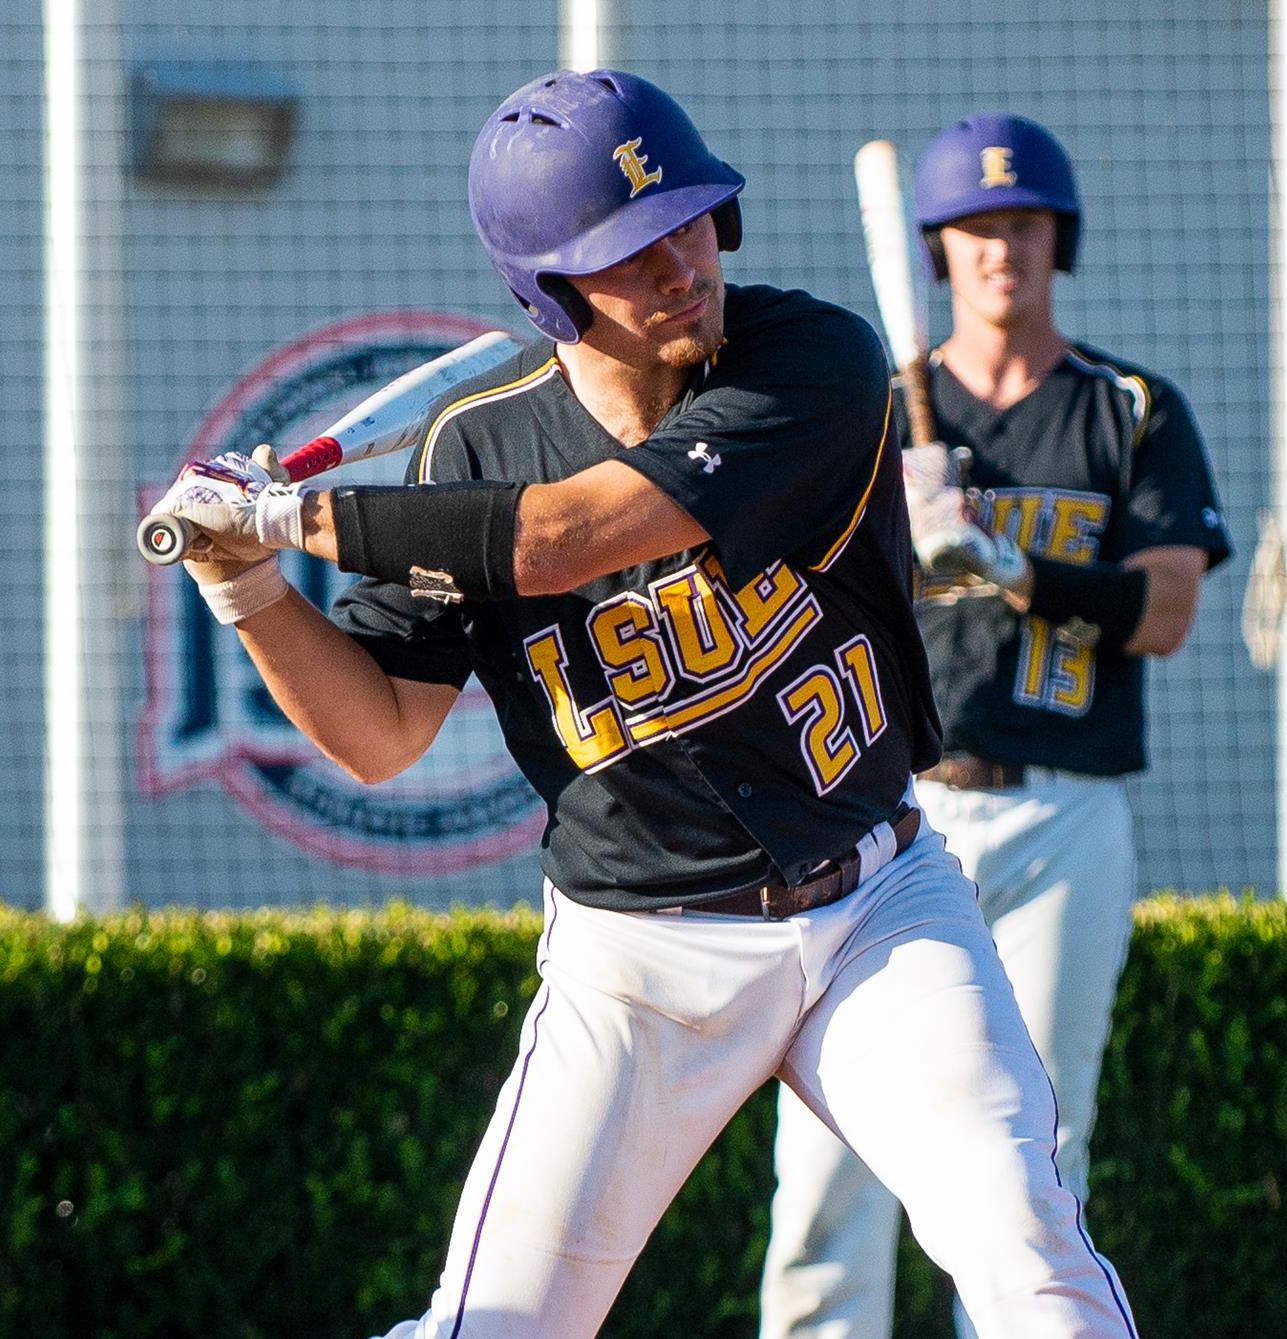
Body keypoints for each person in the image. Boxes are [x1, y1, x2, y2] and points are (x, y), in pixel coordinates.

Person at [147, 72, 1139, 1339]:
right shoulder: (474, 448)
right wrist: (242, 581)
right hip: (639, 958)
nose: (678, 260)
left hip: (877, 904)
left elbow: (570, 538)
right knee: (490, 1327)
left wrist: (287, 513)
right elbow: (376, 733)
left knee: (1028, 1257)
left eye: (688, 216)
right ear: (553, 290)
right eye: (625, 247)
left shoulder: (811, 360)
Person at [759, 113, 1232, 1339]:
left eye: (1020, 224)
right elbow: (782, 589)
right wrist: (888, 532)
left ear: (1055, 239)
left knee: (1032, 1150)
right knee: (827, 1156)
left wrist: (1013, 565)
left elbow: (1167, 609)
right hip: (887, 810)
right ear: (936, 251)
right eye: (973, 228)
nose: (998, 250)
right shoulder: (870, 415)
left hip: (1060, 808)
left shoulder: (1129, 410)